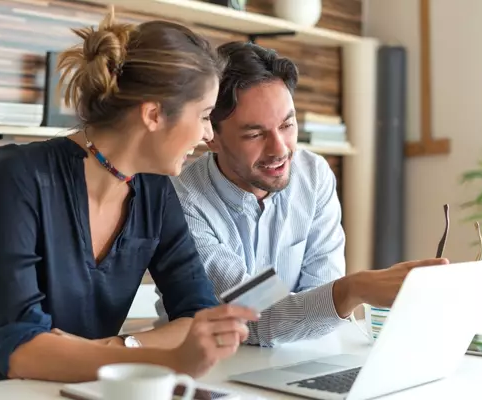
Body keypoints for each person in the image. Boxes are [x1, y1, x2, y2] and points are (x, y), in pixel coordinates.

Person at [0, 10, 259, 389]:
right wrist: (169, 360)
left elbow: (198, 316)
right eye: (204, 115)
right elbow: (19, 349)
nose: (208, 134)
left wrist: (120, 346)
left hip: (83, 390)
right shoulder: (19, 174)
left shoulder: (155, 193)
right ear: (153, 114)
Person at [155, 41, 448, 347]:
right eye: (255, 134)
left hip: (298, 356)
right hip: (207, 373)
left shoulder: (313, 175)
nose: (280, 148)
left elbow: (320, 296)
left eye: (287, 124)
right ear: (211, 137)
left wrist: (332, 297)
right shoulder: (183, 201)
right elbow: (256, 316)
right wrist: (353, 289)